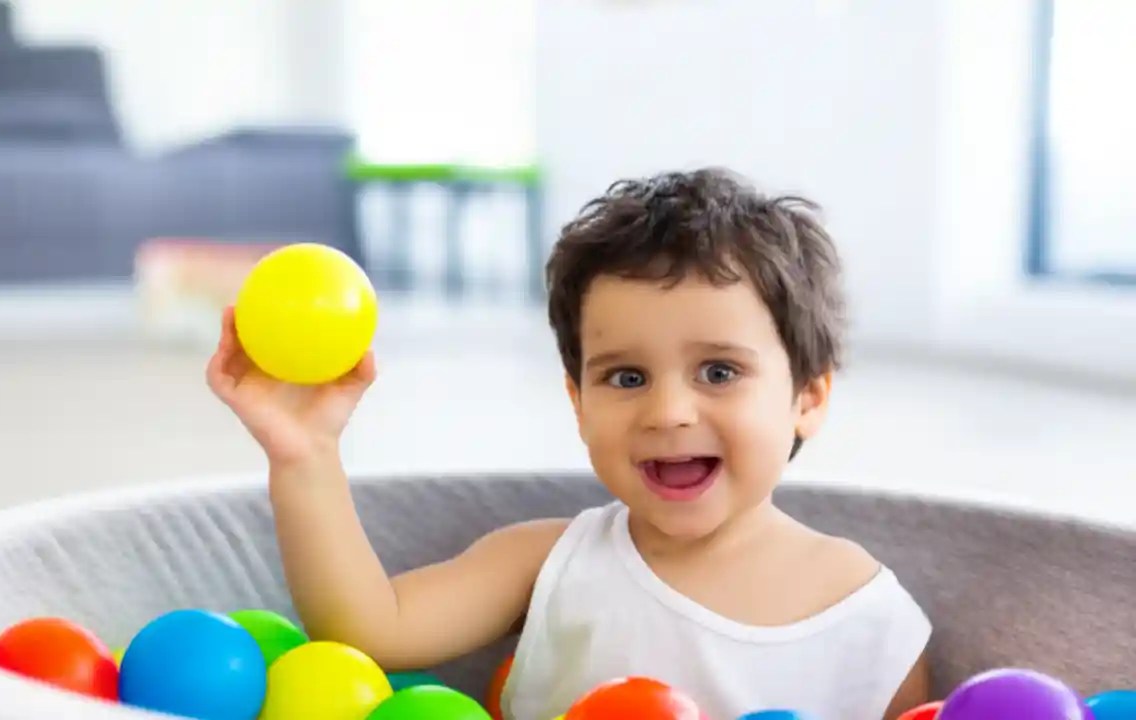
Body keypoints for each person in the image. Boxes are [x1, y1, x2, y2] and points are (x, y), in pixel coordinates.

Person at [206, 168, 932, 720]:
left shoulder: (869, 619)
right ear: (577, 403)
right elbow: (366, 631)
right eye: (626, 376)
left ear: (808, 396)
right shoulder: (548, 560)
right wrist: (304, 455)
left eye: (719, 371)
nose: (669, 410)